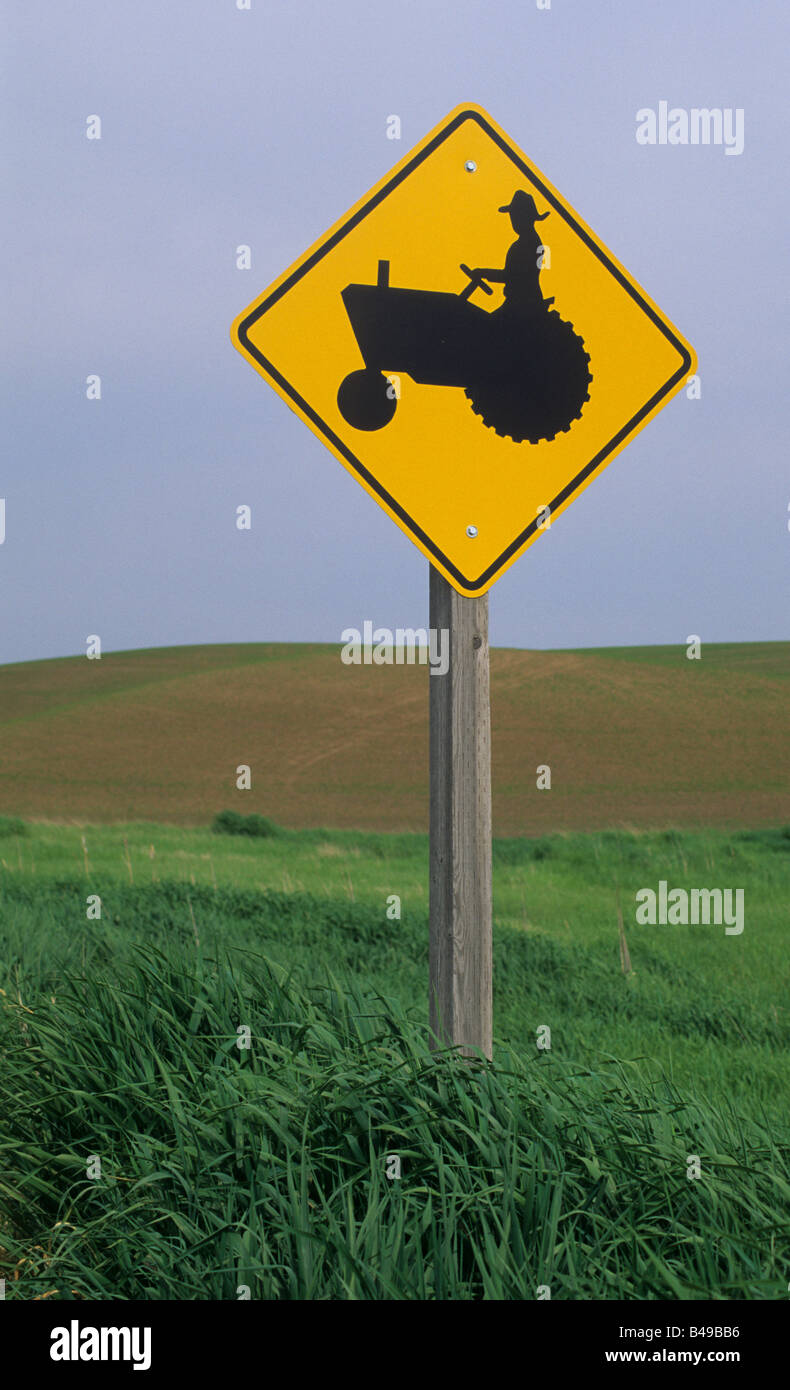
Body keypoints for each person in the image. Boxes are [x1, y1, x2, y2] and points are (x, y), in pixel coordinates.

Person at [471, 190, 550, 316]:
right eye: (512, 216)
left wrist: (483, 272)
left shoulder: (529, 244)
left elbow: (512, 276)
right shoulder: (527, 242)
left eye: (516, 215)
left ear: (526, 217)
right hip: (519, 303)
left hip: (522, 306)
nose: (513, 220)